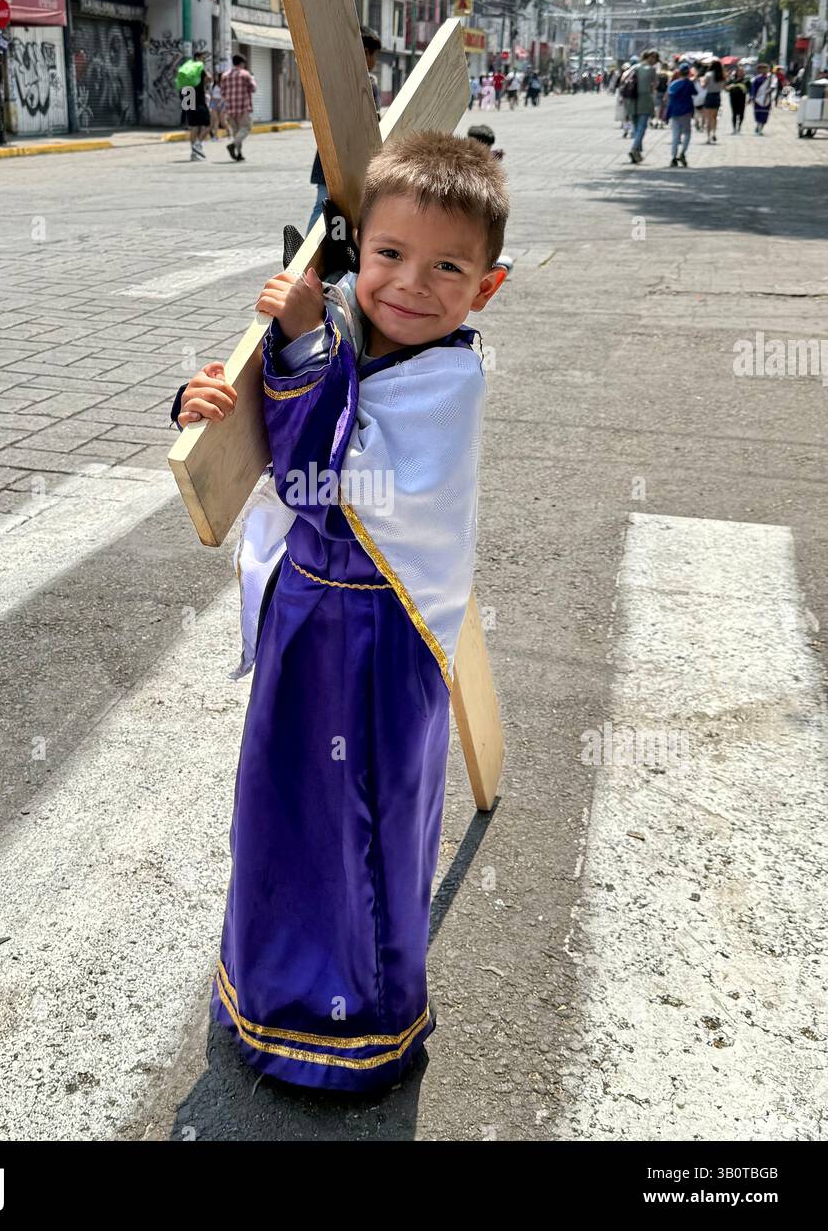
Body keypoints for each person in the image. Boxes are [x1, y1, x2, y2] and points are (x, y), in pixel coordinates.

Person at [172, 129, 509, 1093]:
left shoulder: (449, 379)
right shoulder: (359, 337)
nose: (410, 284)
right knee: (281, 812)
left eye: (447, 267)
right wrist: (211, 400)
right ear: (353, 252)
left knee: (357, 828)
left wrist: (302, 344)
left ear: (485, 287)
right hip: (306, 623)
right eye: (388, 256)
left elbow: (319, 474)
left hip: (376, 644)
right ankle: (268, 992)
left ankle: (348, 1035)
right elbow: (276, 428)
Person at [309, 27, 382, 231]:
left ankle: (306, 258)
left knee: (322, 207)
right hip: (351, 157)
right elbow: (372, 123)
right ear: (366, 52)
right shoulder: (368, 83)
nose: (375, 61)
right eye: (375, 55)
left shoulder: (332, 78)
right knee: (340, 210)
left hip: (327, 153)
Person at [220, 53, 257, 163]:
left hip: (230, 108)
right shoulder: (245, 74)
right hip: (243, 107)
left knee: (236, 132)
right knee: (246, 128)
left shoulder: (225, 75)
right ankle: (232, 145)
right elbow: (253, 88)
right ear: (242, 63)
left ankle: (239, 154)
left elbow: (222, 92)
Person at [176, 52, 212, 161]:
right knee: (208, 124)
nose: (204, 60)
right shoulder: (199, 69)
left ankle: (193, 153)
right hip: (198, 99)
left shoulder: (187, 69)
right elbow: (209, 79)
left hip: (188, 97)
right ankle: (197, 144)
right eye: (202, 58)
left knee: (194, 126)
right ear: (197, 58)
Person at [627, 48, 658, 163]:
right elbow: (654, 86)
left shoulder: (634, 67)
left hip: (631, 100)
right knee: (642, 127)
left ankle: (637, 153)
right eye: (655, 59)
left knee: (636, 127)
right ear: (651, 57)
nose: (655, 61)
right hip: (645, 99)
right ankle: (635, 149)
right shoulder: (651, 70)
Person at [664, 61, 696, 167]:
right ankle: (682, 153)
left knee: (675, 135)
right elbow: (694, 92)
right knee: (687, 133)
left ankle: (673, 157)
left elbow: (669, 100)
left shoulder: (673, 84)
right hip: (686, 112)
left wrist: (667, 114)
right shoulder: (689, 83)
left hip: (674, 112)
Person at [700, 59, 725, 143]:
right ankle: (714, 133)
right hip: (717, 96)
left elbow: (703, 86)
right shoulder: (721, 76)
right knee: (714, 117)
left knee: (708, 118)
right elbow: (722, 87)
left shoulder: (708, 74)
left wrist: (701, 81)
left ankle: (708, 137)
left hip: (709, 96)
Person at [750, 63, 777, 133]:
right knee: (758, 114)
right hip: (758, 99)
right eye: (761, 69)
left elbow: (773, 87)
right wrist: (752, 97)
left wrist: (771, 90)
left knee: (765, 115)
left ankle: (761, 127)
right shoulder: (756, 79)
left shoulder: (771, 78)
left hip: (767, 99)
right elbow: (753, 89)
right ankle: (758, 126)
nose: (763, 70)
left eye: (765, 68)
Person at [726, 64, 747, 134]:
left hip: (742, 99)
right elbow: (726, 88)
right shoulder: (732, 80)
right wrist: (730, 85)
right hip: (733, 98)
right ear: (736, 72)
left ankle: (739, 127)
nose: (740, 73)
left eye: (742, 71)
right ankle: (734, 128)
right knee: (734, 113)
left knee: (741, 114)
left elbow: (749, 89)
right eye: (739, 71)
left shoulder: (746, 80)